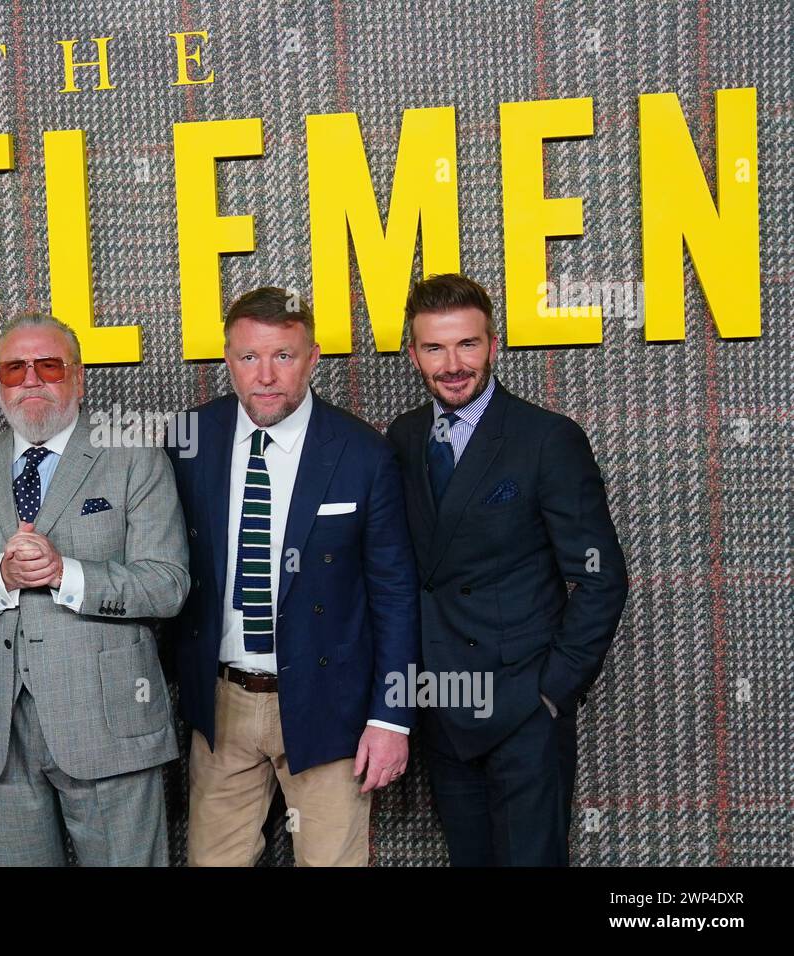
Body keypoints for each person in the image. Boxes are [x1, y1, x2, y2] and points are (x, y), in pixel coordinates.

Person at [0, 313, 188, 866]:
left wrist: (66, 573)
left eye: (48, 365)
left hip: (109, 729)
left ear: (78, 377)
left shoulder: (135, 458)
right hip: (1, 739)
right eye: (15, 369)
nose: (31, 380)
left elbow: (168, 584)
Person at [166, 287, 419, 866]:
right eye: (248, 357)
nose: (265, 376)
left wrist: (391, 717)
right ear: (227, 359)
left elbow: (395, 595)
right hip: (221, 704)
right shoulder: (190, 441)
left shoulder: (361, 452)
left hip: (331, 705)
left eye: (283, 356)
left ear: (313, 358)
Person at [387, 273, 628, 866]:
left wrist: (552, 691)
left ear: (494, 345)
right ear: (413, 353)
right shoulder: (403, 436)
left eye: (467, 344)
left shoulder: (546, 438)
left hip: (524, 710)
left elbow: (601, 576)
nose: (452, 364)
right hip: (441, 707)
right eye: (435, 348)